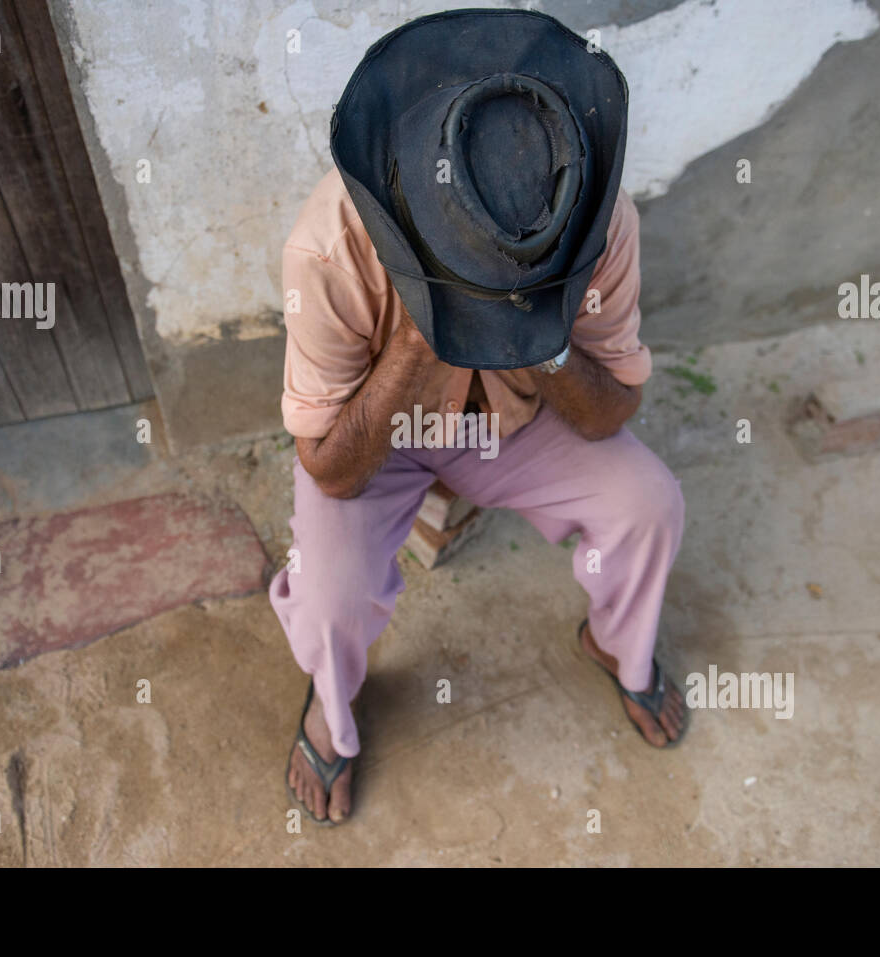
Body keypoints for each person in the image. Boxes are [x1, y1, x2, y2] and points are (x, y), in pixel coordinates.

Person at [270, 9, 687, 825]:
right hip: (379, 442)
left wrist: (530, 323)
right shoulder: (328, 247)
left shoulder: (595, 223)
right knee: (330, 597)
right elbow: (328, 462)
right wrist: (442, 316)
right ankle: (333, 710)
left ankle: (618, 642)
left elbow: (612, 412)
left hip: (523, 422)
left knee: (649, 503)